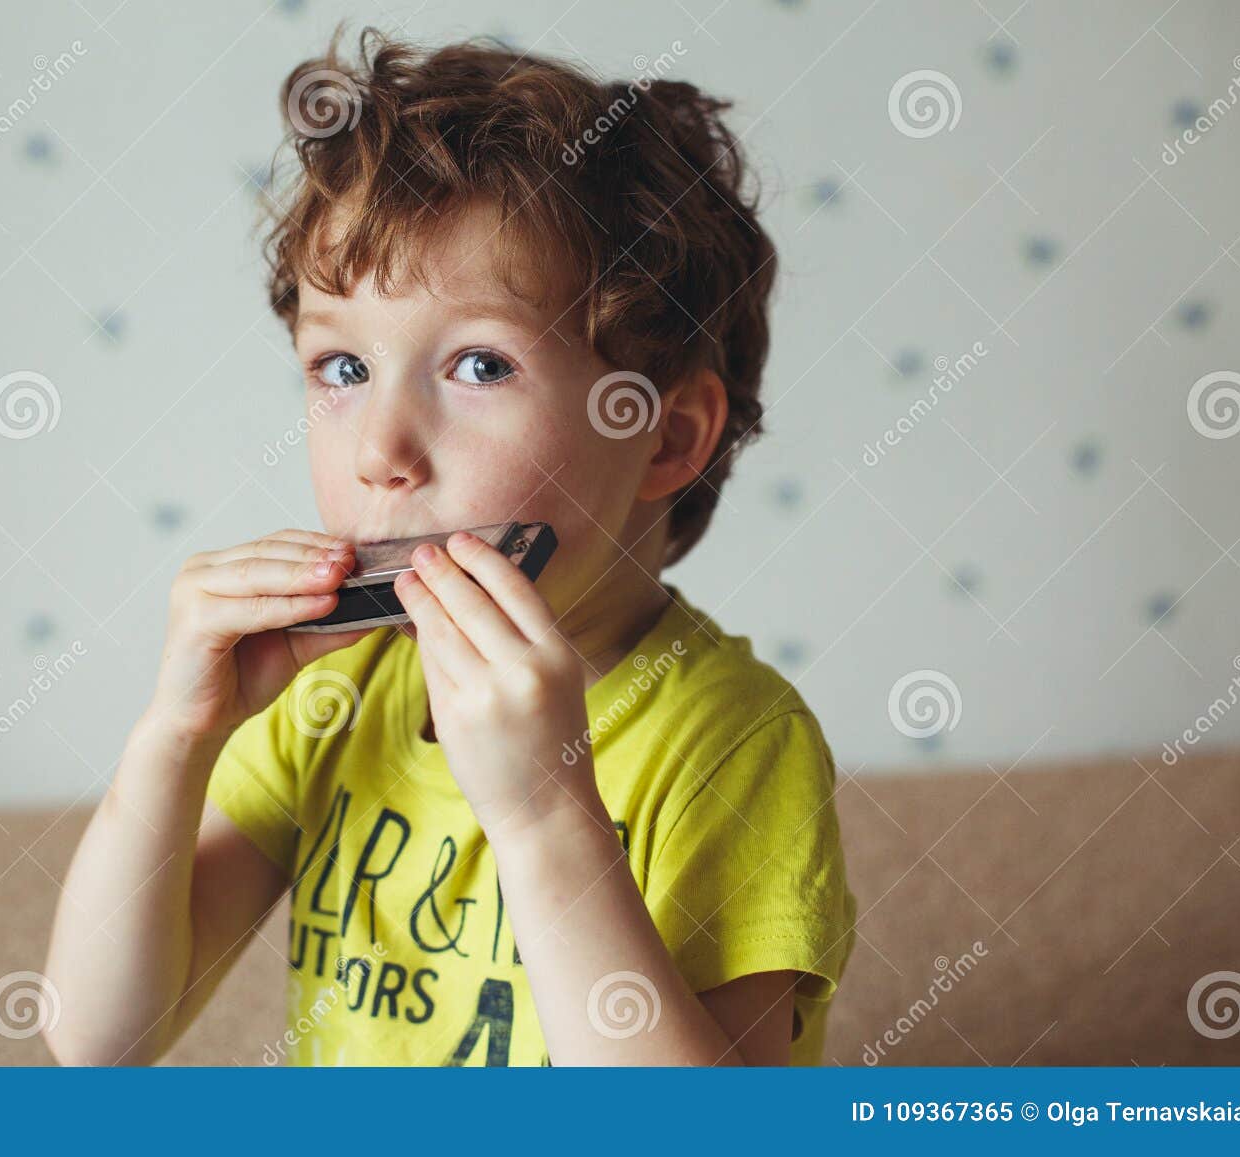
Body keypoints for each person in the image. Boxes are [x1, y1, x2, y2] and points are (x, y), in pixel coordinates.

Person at [42, 24, 856, 1067]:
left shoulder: (734, 742)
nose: (381, 449)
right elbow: (100, 1040)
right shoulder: (331, 694)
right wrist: (174, 739)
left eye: (478, 365)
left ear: (662, 434)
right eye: (341, 369)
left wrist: (542, 813)